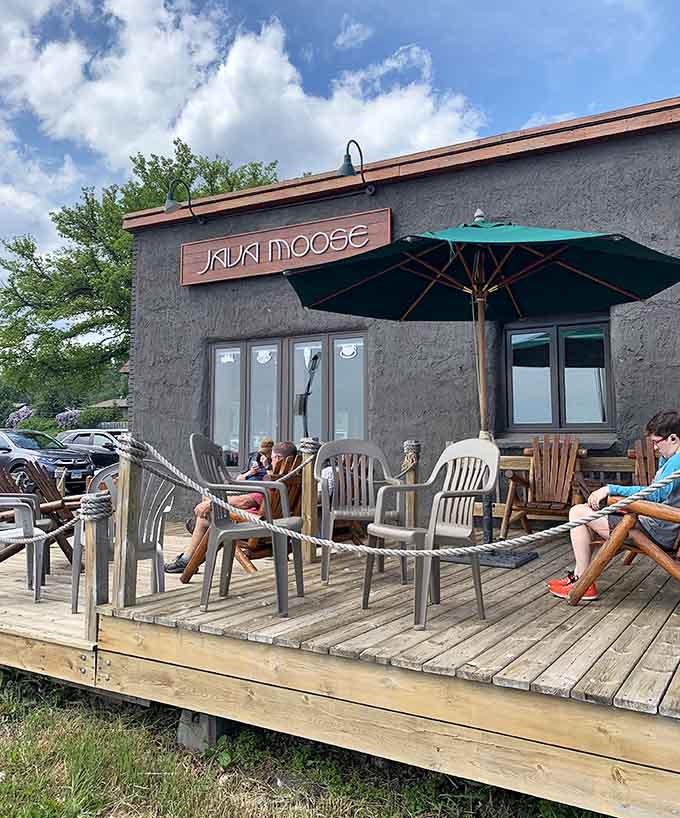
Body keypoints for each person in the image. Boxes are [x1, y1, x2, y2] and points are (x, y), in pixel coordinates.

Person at [548, 410, 680, 601]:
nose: (654, 449)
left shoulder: (677, 462)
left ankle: (583, 583)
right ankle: (579, 576)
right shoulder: (673, 460)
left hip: (656, 531)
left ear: (673, 438)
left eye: (656, 442)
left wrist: (611, 489)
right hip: (656, 525)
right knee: (586, 515)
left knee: (578, 513)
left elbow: (656, 494)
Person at [165, 440, 298, 573]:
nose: (269, 460)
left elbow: (245, 502)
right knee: (212, 518)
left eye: (272, 457)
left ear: (278, 458)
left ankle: (187, 562)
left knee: (208, 519)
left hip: (255, 528)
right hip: (275, 528)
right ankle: (189, 562)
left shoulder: (272, 481)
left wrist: (212, 502)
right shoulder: (291, 477)